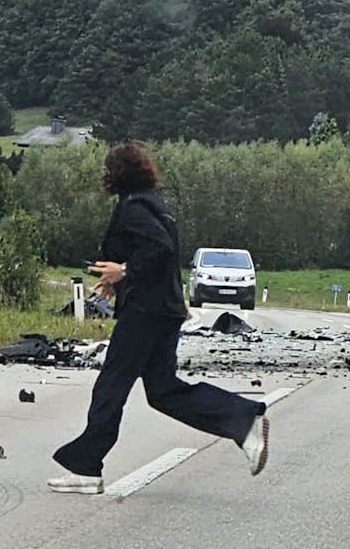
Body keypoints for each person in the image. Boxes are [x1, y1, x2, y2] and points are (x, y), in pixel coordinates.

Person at [47, 141, 269, 494]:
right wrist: (118, 279)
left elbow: (158, 249)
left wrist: (125, 273)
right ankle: (241, 420)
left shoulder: (134, 208)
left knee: (112, 383)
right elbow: (156, 256)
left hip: (146, 312)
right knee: (163, 391)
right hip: (164, 310)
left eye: (108, 170)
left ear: (117, 173)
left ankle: (86, 467)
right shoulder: (156, 205)